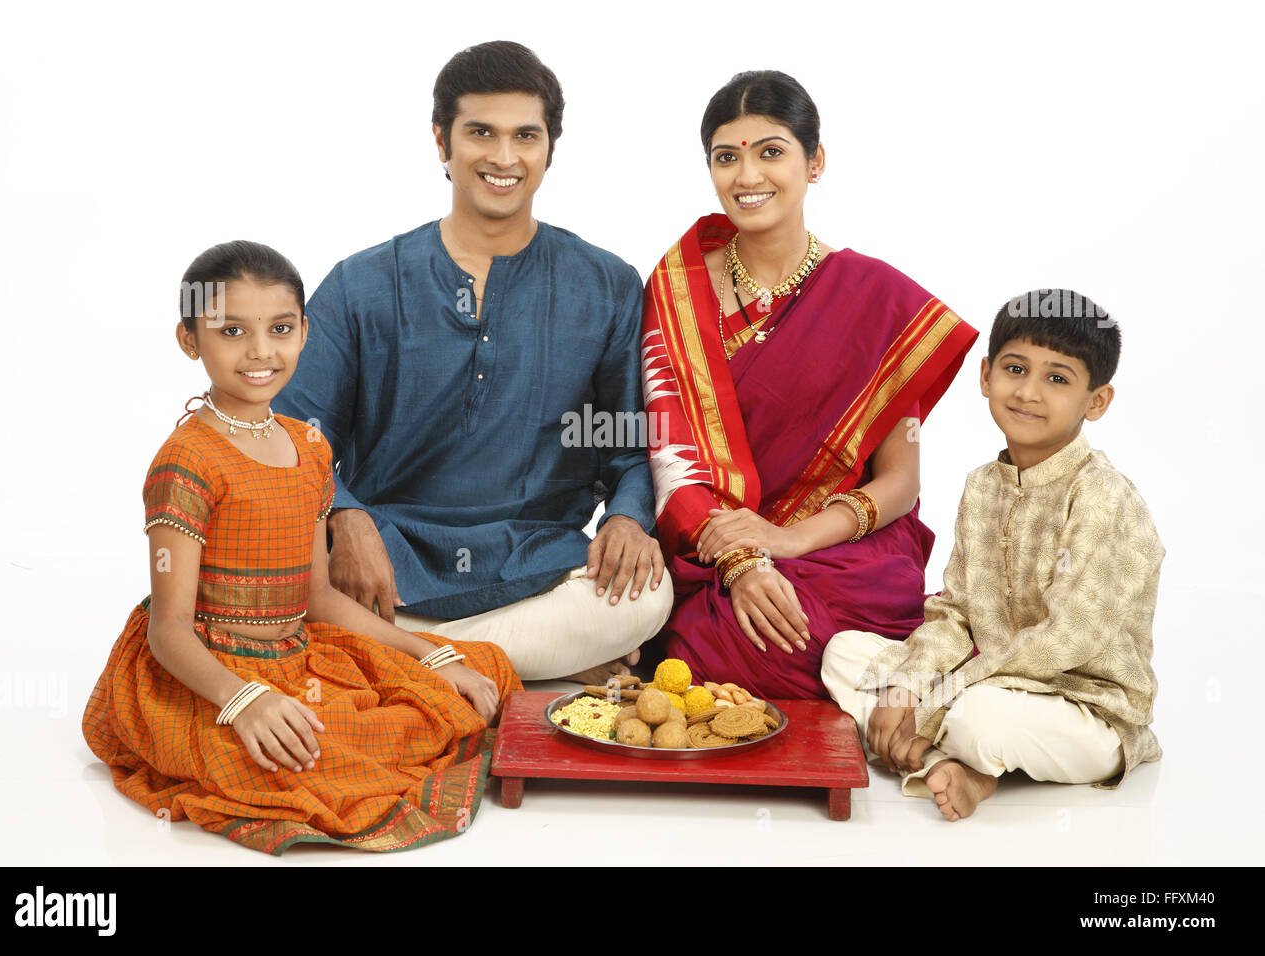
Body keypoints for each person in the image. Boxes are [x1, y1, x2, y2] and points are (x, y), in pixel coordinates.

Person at [82, 241, 522, 855]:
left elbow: (316, 597)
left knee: (472, 670)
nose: (261, 351)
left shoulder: (309, 447)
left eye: (280, 329)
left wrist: (429, 656)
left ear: (305, 332)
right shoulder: (186, 462)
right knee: (296, 760)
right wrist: (248, 702)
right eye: (232, 330)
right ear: (189, 340)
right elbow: (168, 628)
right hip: (210, 675)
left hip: (299, 654)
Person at [275, 41, 670, 683]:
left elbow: (630, 445)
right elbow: (293, 435)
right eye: (480, 132)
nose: (504, 157)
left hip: (536, 565)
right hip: (384, 567)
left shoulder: (605, 286)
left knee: (648, 597)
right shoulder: (363, 284)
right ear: (442, 141)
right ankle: (526, 667)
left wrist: (627, 518)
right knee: (285, 573)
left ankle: (401, 660)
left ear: (549, 148)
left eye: (526, 136)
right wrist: (344, 516)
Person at [644, 71, 978, 700]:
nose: (748, 177)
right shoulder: (677, 288)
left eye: (771, 151)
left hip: (836, 547)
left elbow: (901, 482)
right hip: (712, 545)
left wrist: (787, 538)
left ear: (814, 161)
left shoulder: (875, 298)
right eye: (727, 157)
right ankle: (887, 692)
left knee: (773, 642)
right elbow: (670, 453)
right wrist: (744, 558)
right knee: (712, 641)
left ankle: (885, 686)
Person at [821, 290, 1164, 821]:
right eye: (1015, 368)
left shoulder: (1102, 496)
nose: (1028, 392)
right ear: (985, 376)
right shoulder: (983, 486)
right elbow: (956, 612)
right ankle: (952, 765)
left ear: (1095, 401)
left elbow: (1065, 641)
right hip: (982, 679)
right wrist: (909, 684)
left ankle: (946, 749)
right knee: (844, 653)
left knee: (982, 720)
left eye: (1057, 378)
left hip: (1081, 707)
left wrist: (929, 701)